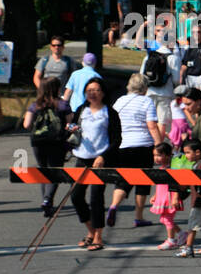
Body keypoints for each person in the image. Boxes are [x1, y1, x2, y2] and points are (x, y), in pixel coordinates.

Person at [67, 77, 123, 251]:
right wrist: (71, 128)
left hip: (101, 160)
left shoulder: (110, 112)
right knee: (76, 195)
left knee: (96, 197)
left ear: (103, 93)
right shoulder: (81, 109)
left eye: (96, 90)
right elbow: (72, 126)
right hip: (82, 157)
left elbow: (117, 139)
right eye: (89, 90)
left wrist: (104, 156)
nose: (92, 93)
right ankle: (90, 230)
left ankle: (98, 236)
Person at [106, 73, 164, 229]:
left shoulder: (119, 101)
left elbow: (110, 122)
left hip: (122, 146)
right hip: (143, 145)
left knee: (123, 180)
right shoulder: (147, 101)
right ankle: (139, 216)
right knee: (142, 181)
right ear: (145, 87)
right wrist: (159, 146)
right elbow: (152, 125)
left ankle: (113, 206)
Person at [22, 77, 71, 216]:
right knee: (55, 171)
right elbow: (70, 124)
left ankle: (46, 202)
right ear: (57, 88)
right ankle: (47, 199)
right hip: (57, 142)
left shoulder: (34, 105)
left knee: (43, 170)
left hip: (38, 142)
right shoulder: (62, 105)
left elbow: (26, 124)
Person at [150, 141, 185, 250]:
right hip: (162, 196)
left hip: (169, 197)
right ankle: (182, 234)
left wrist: (175, 197)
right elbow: (159, 184)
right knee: (164, 219)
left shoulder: (172, 168)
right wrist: (155, 196)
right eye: (155, 155)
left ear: (168, 155)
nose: (156, 158)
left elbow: (176, 184)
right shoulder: (162, 169)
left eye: (159, 155)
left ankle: (171, 240)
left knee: (167, 219)